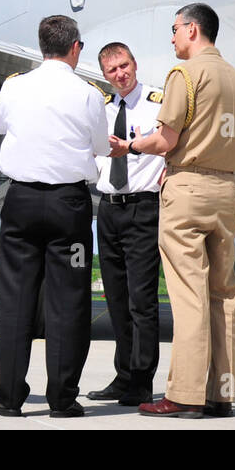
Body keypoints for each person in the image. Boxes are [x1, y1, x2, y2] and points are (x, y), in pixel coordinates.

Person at [112, 3, 235, 419]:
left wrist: (130, 146)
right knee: (224, 296)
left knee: (189, 295)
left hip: (188, 187)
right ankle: (220, 393)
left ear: (192, 29)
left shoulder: (184, 75)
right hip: (227, 189)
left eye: (174, 30)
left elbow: (166, 139)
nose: (171, 38)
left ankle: (185, 395)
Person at [0, 15, 109, 418]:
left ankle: (8, 398)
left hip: (20, 201)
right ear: (75, 47)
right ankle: (61, 398)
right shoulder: (89, 94)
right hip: (68, 207)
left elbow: (0, 125)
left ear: (42, 47)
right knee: (68, 301)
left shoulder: (14, 85)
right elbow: (100, 146)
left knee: (15, 301)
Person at [86, 42, 165, 406]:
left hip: (143, 208)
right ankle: (123, 375)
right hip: (109, 209)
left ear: (135, 63)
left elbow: (172, 144)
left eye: (124, 65)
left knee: (141, 300)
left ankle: (141, 380)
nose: (120, 74)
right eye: (112, 70)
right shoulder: (101, 109)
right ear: (104, 75)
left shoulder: (157, 102)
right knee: (115, 298)